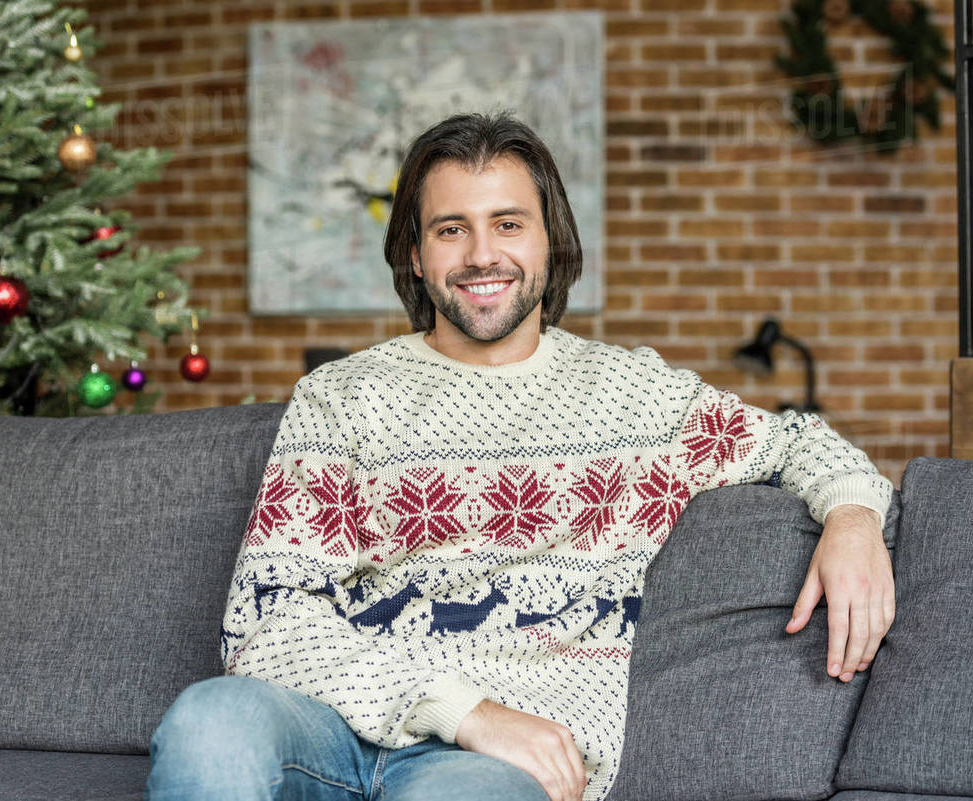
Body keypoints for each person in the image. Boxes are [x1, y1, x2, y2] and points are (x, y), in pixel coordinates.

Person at [145, 111, 895, 801]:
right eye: (450, 229)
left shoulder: (634, 399)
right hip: (327, 728)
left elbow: (799, 441)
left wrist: (854, 518)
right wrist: (465, 709)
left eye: (507, 223)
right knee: (211, 719)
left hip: (487, 772)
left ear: (550, 240)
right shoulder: (342, 397)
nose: (481, 255)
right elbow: (263, 619)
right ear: (413, 253)